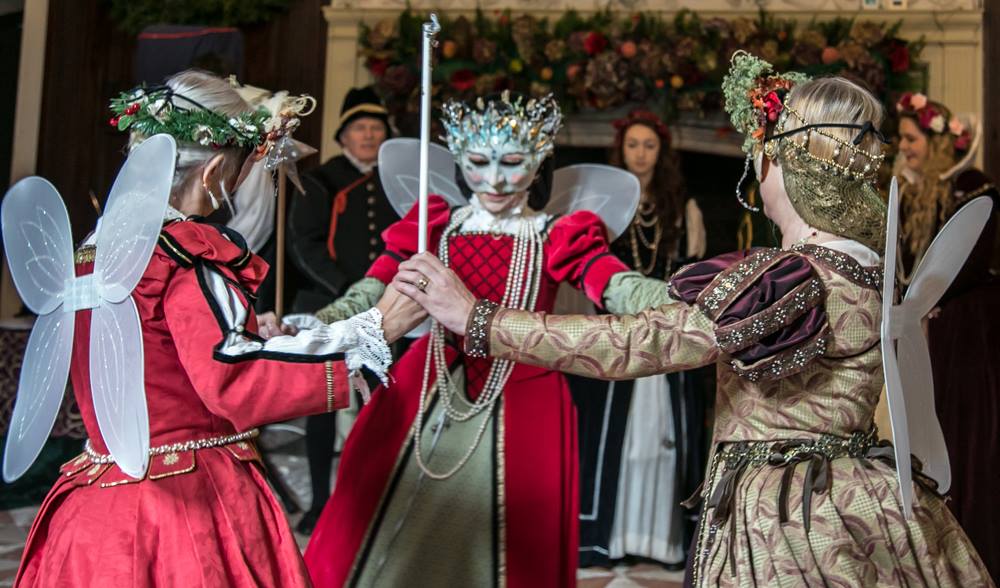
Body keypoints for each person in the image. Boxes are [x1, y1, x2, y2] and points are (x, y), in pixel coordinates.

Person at [393, 54, 994, 587]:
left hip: (788, 517)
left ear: (775, 166)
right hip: (862, 495)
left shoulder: (791, 276)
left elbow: (636, 344)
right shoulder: (867, 268)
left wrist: (477, 317)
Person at [12, 70, 423, 587]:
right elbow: (233, 378)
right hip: (185, 503)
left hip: (98, 500)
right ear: (210, 173)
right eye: (237, 173)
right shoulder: (188, 254)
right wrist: (375, 329)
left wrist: (261, 334)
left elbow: (165, 356)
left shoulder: (94, 253)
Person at [302, 92, 662, 587]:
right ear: (460, 161)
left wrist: (683, 299)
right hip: (427, 384)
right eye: (477, 162)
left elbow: (615, 285)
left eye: (512, 163)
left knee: (516, 532)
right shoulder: (432, 225)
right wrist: (318, 324)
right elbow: (374, 287)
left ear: (537, 165)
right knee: (383, 506)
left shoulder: (559, 232)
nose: (494, 180)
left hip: (524, 391)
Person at [571, 109, 707, 568]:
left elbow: (689, 272)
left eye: (649, 145)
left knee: (664, 437)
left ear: (661, 152)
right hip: (617, 334)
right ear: (620, 150)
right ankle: (608, 536)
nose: (641, 153)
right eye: (633, 145)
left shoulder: (681, 206)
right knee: (616, 438)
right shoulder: (602, 208)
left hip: (667, 333)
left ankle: (663, 541)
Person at [285, 86, 399, 534]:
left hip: (385, 311)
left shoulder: (398, 179)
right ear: (343, 136)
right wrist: (350, 290)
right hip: (328, 304)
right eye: (359, 128)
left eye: (376, 127)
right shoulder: (319, 179)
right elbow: (304, 245)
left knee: (379, 403)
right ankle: (318, 501)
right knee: (323, 405)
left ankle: (372, 500)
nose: (368, 135)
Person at [895, 92, 1000, 579]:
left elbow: (969, 262)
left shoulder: (972, 189)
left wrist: (930, 303)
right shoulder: (910, 191)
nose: (904, 146)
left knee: (960, 431)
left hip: (964, 333)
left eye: (911, 138)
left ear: (936, 142)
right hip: (926, 328)